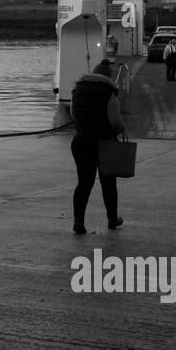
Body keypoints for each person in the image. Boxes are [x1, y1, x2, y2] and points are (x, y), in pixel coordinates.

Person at [69, 60, 125, 234]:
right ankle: (112, 220)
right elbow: (115, 121)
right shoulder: (109, 93)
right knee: (108, 184)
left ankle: (78, 222)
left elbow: (72, 115)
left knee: (84, 183)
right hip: (104, 143)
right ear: (107, 77)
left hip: (81, 142)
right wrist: (119, 129)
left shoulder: (77, 91)